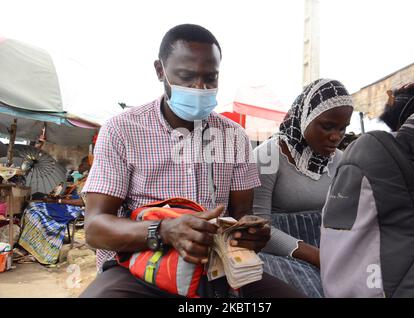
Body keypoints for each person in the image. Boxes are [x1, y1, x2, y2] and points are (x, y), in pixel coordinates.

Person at [80, 24, 303, 298]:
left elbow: (243, 216)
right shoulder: (122, 131)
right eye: (186, 77)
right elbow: (95, 228)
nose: (200, 88)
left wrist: (251, 234)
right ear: (160, 70)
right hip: (141, 266)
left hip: (214, 264)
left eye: (210, 78)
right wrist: (165, 230)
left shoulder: (234, 137)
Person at [252, 79, 354, 297]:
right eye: (327, 126)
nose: (336, 137)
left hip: (330, 253)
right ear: (304, 117)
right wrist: (316, 256)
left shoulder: (340, 161)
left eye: (342, 128)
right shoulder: (267, 158)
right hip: (279, 255)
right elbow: (257, 229)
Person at [18, 156, 91, 264]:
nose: (80, 166)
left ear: (89, 165)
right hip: (69, 204)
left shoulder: (91, 181)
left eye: (82, 163)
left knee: (35, 210)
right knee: (33, 206)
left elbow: (83, 201)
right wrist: (61, 197)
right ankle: (32, 245)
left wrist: (60, 201)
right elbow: (76, 196)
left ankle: (42, 248)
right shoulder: (84, 178)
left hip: (76, 209)